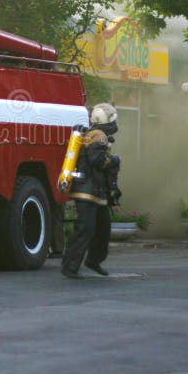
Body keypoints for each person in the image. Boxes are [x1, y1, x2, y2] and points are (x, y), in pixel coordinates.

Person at [61, 103, 121, 279]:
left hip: (94, 190)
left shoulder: (93, 133)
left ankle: (93, 261)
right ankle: (69, 267)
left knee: (103, 229)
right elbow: (97, 159)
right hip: (88, 191)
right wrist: (115, 160)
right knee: (85, 229)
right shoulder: (98, 135)